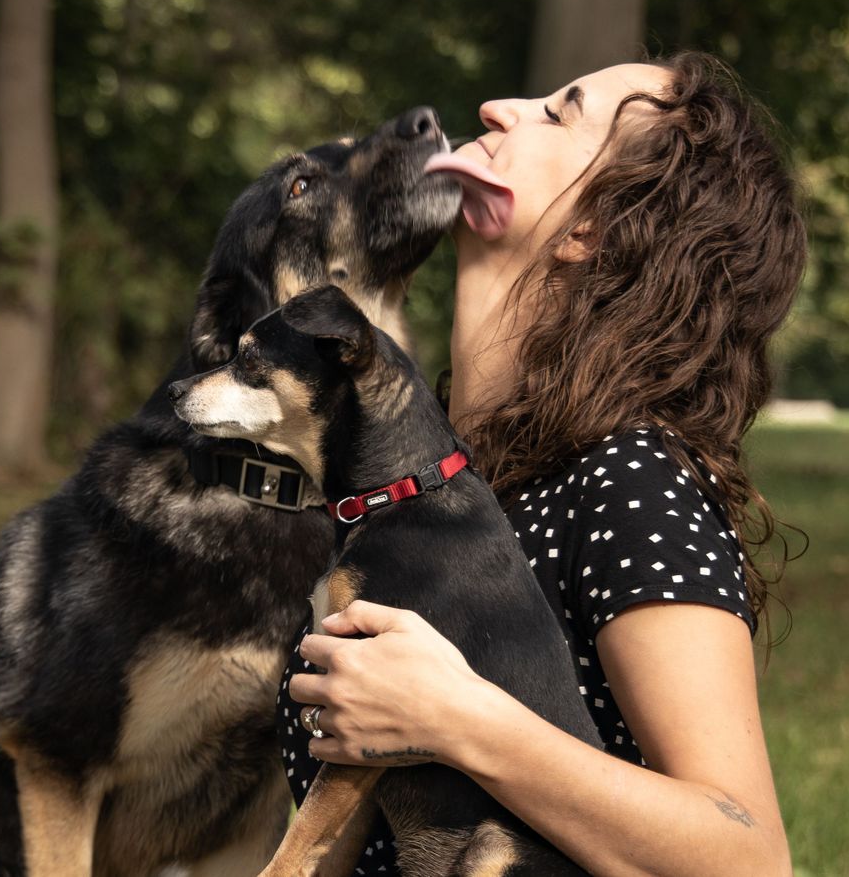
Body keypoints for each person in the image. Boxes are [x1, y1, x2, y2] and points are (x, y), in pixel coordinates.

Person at [278, 52, 806, 876]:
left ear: (594, 227)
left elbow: (747, 856)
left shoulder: (628, 482)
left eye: (559, 113)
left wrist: (459, 719)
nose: (494, 107)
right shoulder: (427, 479)